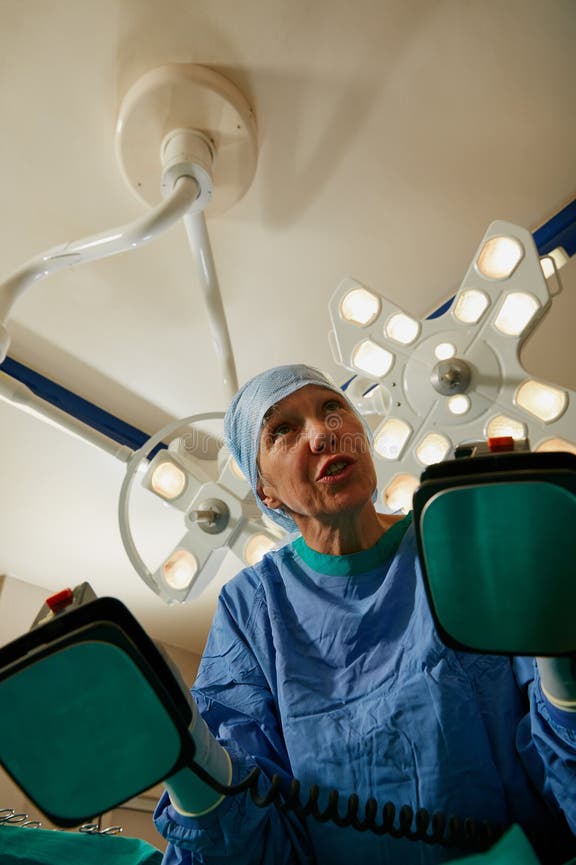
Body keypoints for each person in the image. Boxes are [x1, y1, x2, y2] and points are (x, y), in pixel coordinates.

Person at [154, 364, 576, 864]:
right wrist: (184, 756)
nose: (321, 434)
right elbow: (248, 813)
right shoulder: (254, 606)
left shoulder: (458, 539)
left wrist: (563, 663)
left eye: (333, 409)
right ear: (265, 492)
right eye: (282, 431)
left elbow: (556, 733)